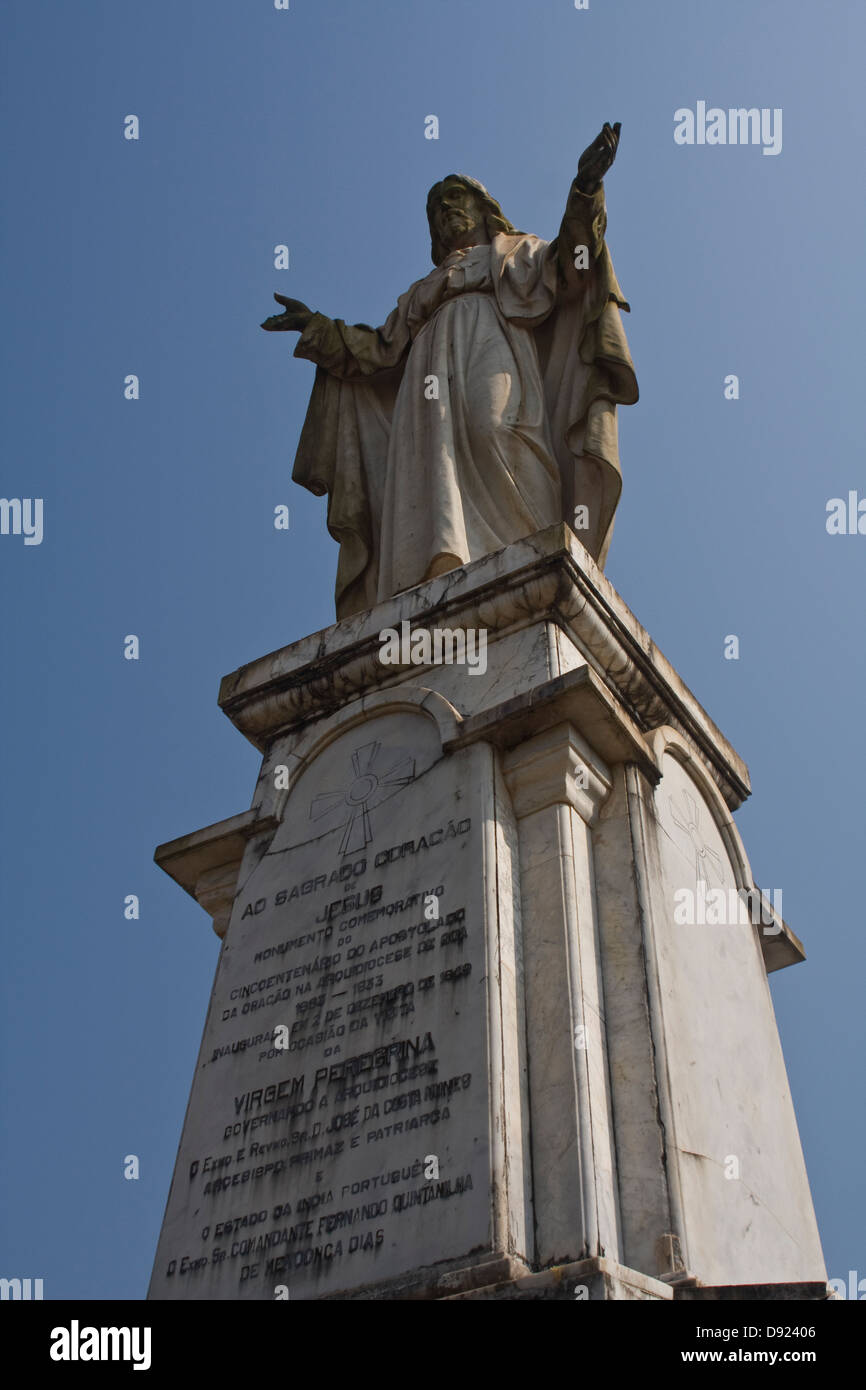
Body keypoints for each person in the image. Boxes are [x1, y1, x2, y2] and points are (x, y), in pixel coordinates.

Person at [262, 123, 638, 619]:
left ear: (484, 210)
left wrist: (585, 190)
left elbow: (572, 263)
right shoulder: (421, 292)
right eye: (435, 209)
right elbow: (375, 352)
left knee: (494, 428)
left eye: (455, 198)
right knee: (431, 463)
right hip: (426, 373)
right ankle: (439, 563)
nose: (445, 211)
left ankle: (530, 551)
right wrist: (318, 329)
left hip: (493, 344)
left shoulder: (514, 253)